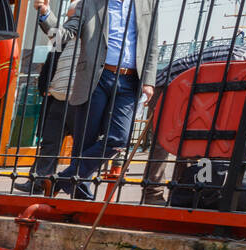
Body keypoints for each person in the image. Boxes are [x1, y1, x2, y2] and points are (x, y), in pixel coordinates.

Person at [55, 0, 158, 201]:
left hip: (130, 80)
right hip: (97, 78)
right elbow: (65, 34)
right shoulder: (91, 2)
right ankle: (80, 200)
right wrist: (44, 14)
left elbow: (152, 42)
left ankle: (63, 179)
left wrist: (149, 80)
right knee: (85, 141)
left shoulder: (148, 3)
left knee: (119, 139)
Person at [14, 0, 82, 195]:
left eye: (73, 18)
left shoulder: (95, 40)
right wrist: (46, 87)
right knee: (50, 142)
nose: (70, 21)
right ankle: (39, 181)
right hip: (58, 97)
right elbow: (52, 49)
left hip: (81, 99)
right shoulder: (65, 37)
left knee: (81, 146)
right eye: (69, 18)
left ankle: (74, 184)